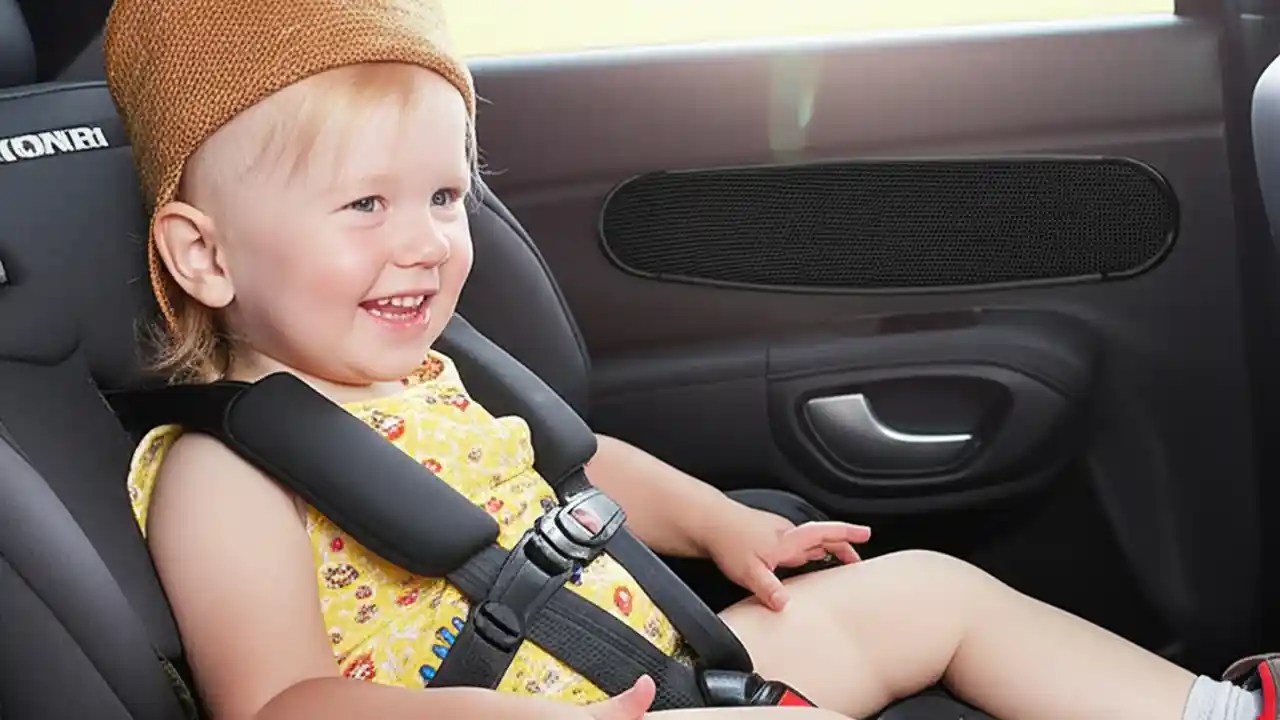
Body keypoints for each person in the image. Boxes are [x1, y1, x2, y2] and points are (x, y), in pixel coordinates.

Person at [104, 1, 1272, 719]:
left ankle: (1221, 709)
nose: (424, 241)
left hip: (651, 656)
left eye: (445, 195)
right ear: (203, 257)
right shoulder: (226, 471)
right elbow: (275, 705)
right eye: (363, 202)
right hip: (520, 710)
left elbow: (577, 462)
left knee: (936, 592)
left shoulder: (429, 377)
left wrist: (721, 525)